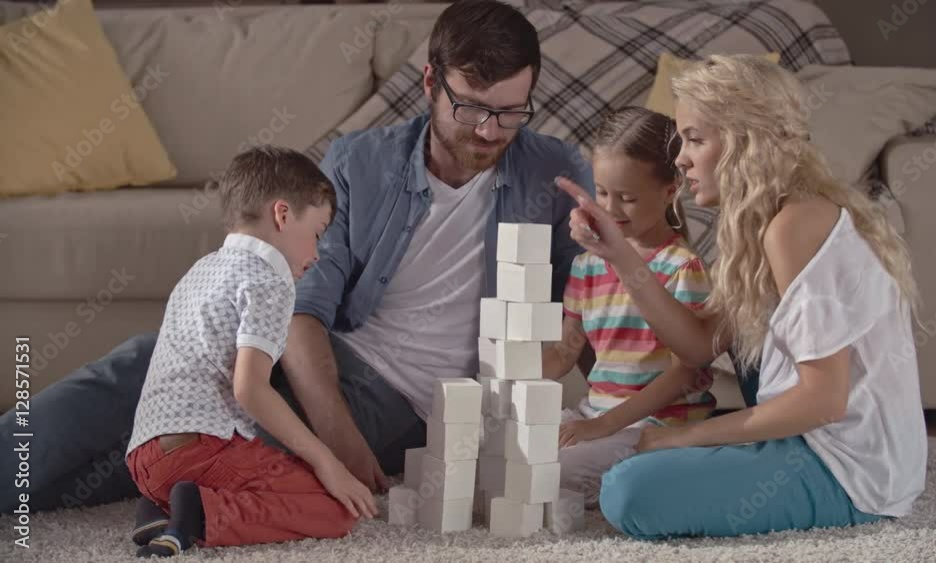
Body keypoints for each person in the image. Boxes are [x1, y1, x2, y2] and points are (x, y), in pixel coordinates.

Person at [0, 0, 593, 514]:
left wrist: (587, 371)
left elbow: (593, 296)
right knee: (151, 363)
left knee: (191, 446)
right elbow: (304, 307)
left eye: (512, 111)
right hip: (326, 355)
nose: (491, 131)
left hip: (411, 403)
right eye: (471, 109)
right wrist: (335, 435)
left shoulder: (555, 170)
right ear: (431, 82)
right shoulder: (361, 161)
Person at [555, 54, 926, 538]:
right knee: (628, 475)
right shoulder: (762, 225)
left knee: (628, 492)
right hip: (806, 441)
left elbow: (824, 401)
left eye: (694, 139)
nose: (681, 158)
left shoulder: (795, 225)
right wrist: (623, 256)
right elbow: (698, 345)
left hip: (845, 466)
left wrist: (682, 439)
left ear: (743, 143)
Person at [126, 146, 376, 558]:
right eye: (317, 233)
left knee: (278, 473)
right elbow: (251, 390)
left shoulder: (202, 269)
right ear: (282, 215)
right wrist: (328, 463)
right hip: (196, 451)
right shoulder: (269, 280)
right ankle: (198, 513)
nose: (316, 255)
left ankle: (158, 507)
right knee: (335, 507)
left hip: (144, 456)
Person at [541, 107, 715, 506]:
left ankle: (663, 474)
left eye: (628, 198)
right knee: (507, 448)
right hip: (597, 412)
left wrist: (603, 426)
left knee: (551, 472)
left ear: (670, 191)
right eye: (602, 193)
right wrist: (504, 385)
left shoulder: (681, 268)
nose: (611, 210)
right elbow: (566, 352)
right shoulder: (586, 265)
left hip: (657, 423)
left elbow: (684, 375)